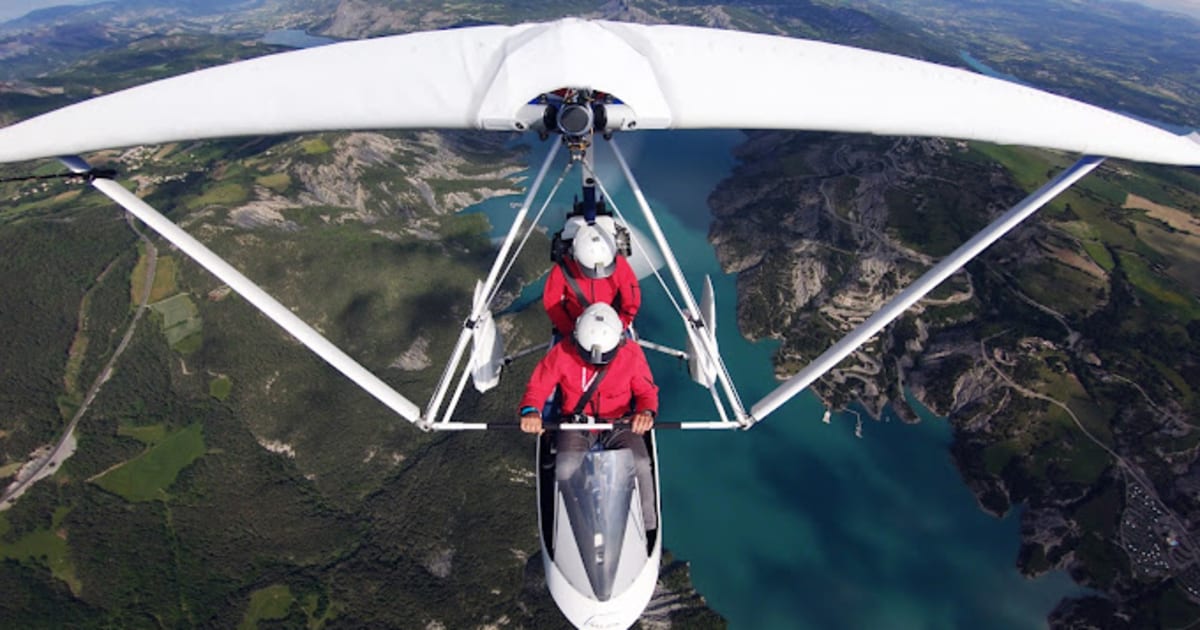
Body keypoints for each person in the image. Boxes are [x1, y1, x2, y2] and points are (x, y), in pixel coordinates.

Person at [519, 302, 659, 531]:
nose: (595, 362)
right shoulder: (562, 352)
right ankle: (569, 528)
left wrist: (645, 412)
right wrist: (531, 410)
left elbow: (647, 392)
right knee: (565, 469)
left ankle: (647, 527)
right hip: (576, 423)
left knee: (641, 464)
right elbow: (538, 387)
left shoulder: (632, 354)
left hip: (619, 422)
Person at [543, 223, 641, 338]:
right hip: (575, 325)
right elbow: (551, 301)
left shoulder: (620, 265)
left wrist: (621, 324)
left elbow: (632, 300)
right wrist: (569, 329)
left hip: (611, 325)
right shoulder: (563, 268)